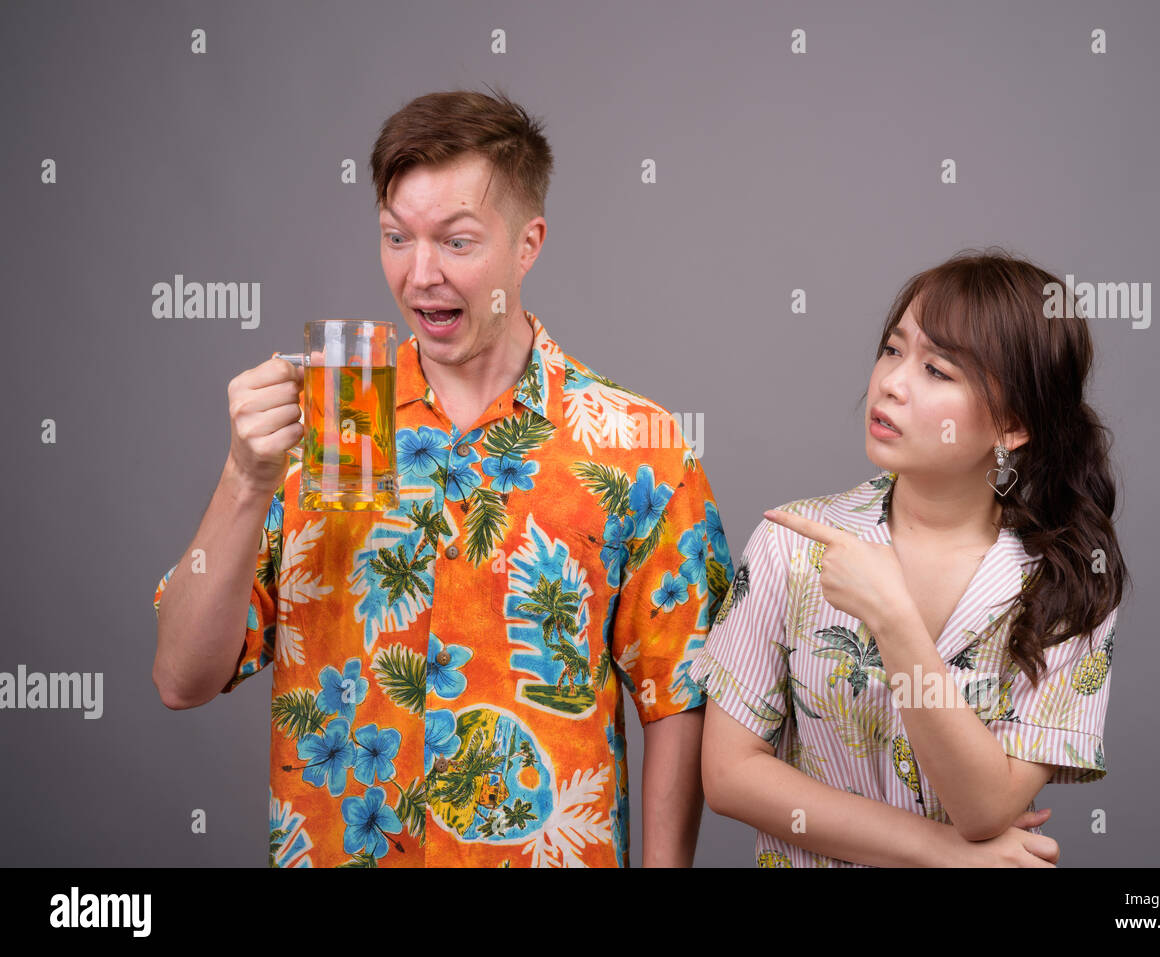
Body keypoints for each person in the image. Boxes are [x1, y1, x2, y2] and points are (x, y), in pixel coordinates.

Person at [152, 88, 734, 868]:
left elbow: (677, 700)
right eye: (396, 236)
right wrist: (244, 476)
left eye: (456, 242)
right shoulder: (326, 419)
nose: (418, 273)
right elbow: (182, 677)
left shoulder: (639, 447)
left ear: (528, 244)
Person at [690, 249, 1129, 866]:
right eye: (894, 351)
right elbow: (730, 775)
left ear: (1011, 425)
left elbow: (986, 808)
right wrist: (942, 852)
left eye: (938, 371)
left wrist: (893, 619)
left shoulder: (1065, 585)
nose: (890, 382)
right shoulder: (794, 543)